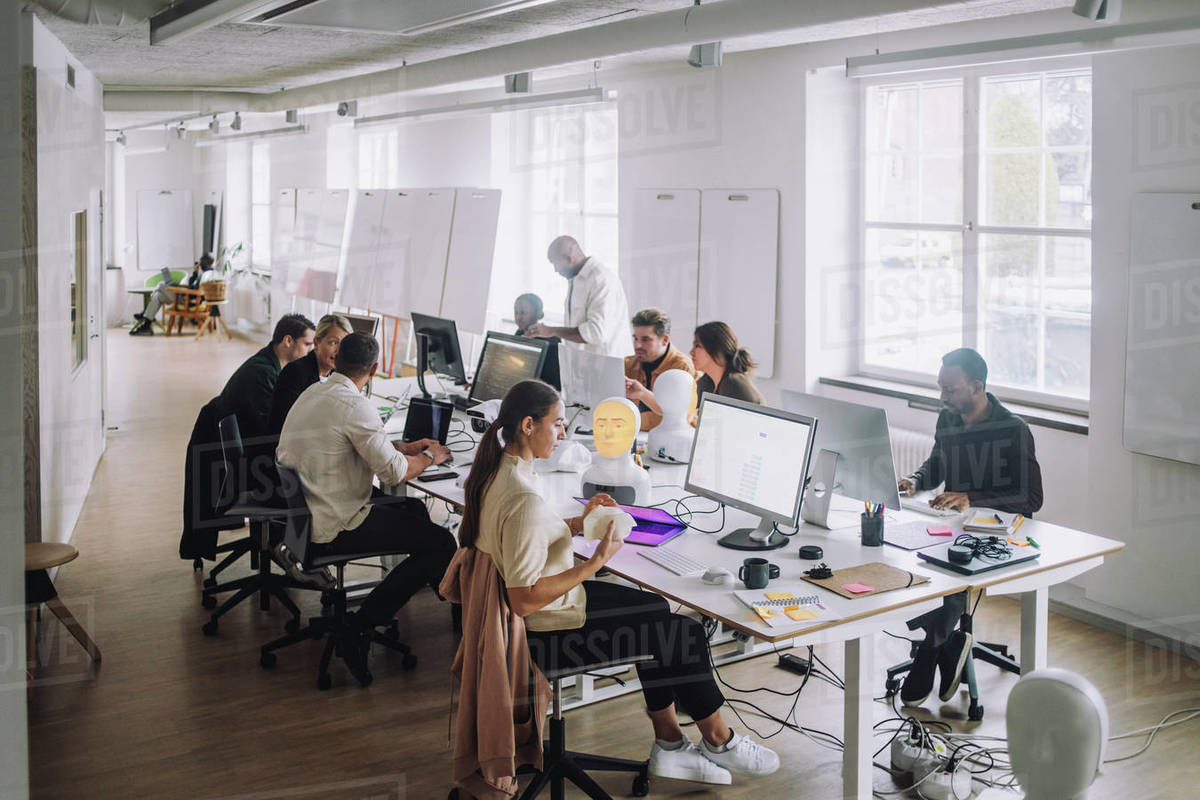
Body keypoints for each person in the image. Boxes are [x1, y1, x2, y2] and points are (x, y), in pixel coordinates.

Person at [461, 379, 780, 785]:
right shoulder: (521, 496)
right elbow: (523, 599)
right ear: (528, 425)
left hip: (543, 617)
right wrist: (596, 561)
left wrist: (578, 521)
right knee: (681, 635)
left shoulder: (501, 474)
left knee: (659, 611)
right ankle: (719, 739)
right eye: (558, 424)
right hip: (546, 634)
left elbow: (525, 535)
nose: (563, 434)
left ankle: (671, 744)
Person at [276, 333, 456, 674]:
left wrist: (402, 446)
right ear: (374, 368)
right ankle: (360, 626)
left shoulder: (315, 391)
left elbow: (352, 441)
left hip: (308, 511)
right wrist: (431, 456)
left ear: (336, 359)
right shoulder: (356, 406)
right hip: (335, 522)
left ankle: (437, 588)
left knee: (415, 511)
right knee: (442, 543)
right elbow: (395, 474)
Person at [894, 347, 1043, 709]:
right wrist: (915, 481)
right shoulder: (948, 418)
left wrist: (970, 498)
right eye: (940, 388)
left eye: (950, 389)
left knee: (948, 567)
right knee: (908, 560)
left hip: (998, 532)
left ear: (977, 386)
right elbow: (938, 463)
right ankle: (950, 642)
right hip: (953, 525)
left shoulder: (1012, 428)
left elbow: (1032, 498)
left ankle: (933, 646)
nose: (942, 397)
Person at [521, 235, 629, 357]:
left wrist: (552, 331)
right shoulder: (577, 278)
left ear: (569, 258)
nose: (555, 270)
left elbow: (595, 332)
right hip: (585, 364)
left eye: (555, 263)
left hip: (605, 364)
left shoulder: (601, 280)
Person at [217, 313, 315, 447]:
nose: (311, 350)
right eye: (307, 344)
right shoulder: (262, 373)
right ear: (288, 341)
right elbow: (273, 426)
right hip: (237, 450)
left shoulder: (272, 362)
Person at [268, 314, 353, 436]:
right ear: (317, 342)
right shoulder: (296, 372)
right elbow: (285, 425)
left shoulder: (337, 374)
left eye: (343, 345)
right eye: (333, 343)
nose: (339, 351)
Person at [621, 308, 696, 430]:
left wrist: (628, 420)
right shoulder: (627, 364)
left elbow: (679, 418)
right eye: (635, 338)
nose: (637, 345)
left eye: (645, 339)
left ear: (665, 340)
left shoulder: (682, 367)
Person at [130, 254, 213, 336]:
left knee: (161, 285)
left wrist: (180, 290)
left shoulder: (206, 275)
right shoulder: (203, 274)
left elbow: (194, 293)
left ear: (205, 263)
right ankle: (146, 326)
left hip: (187, 301)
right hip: (184, 297)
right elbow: (192, 287)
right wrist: (195, 273)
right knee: (158, 296)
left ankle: (145, 314)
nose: (200, 263)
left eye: (201, 262)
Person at [690, 321, 764, 405]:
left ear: (716, 348)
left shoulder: (733, 384)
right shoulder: (706, 382)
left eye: (697, 346)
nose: (691, 352)